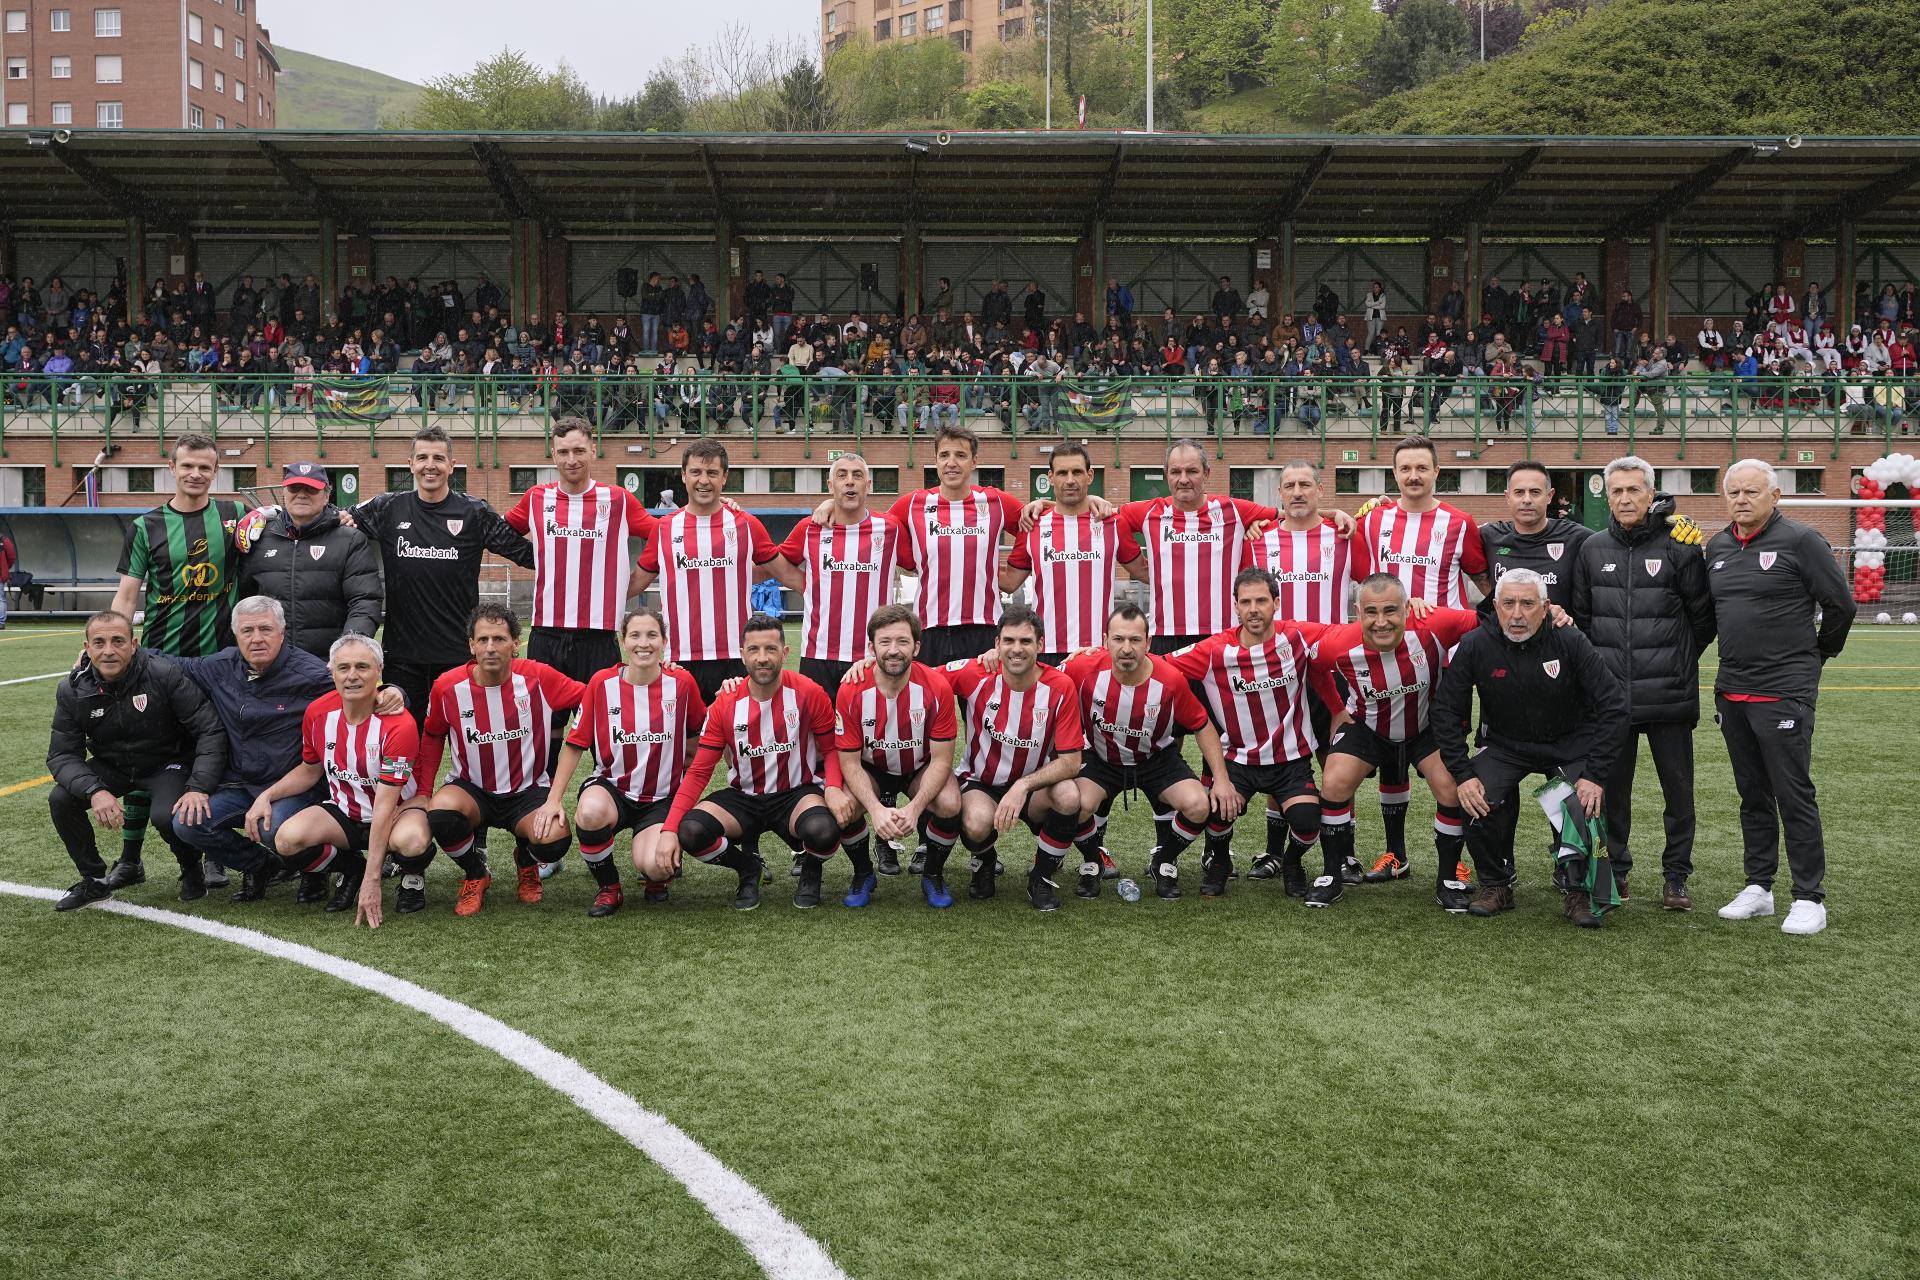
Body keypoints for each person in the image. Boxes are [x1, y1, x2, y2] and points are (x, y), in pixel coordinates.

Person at [169, 595, 403, 903]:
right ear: (235, 634)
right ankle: (262, 866)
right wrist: (119, 656)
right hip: (241, 785)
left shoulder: (310, 673)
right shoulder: (219, 666)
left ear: (282, 632)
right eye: (247, 631)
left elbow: (357, 683)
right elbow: (171, 664)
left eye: (265, 629)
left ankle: (350, 867)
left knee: (273, 828)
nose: (256, 639)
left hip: (295, 787)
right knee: (188, 823)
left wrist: (392, 692)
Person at [1705, 459, 1855, 936]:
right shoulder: (1719, 545)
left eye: (1752, 491)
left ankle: (1809, 897)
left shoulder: (1800, 540)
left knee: (1793, 793)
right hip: (1732, 689)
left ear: (1775, 496)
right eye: (1734, 492)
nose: (1742, 500)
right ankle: (1759, 887)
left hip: (1783, 691)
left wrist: (1817, 656)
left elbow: (1841, 605)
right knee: (1752, 794)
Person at [1429, 570, 1627, 927]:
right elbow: (1445, 711)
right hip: (1506, 745)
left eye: (1527, 604)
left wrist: (1594, 775)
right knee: (1478, 795)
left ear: (1545, 607)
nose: (1517, 614)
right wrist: (1463, 773)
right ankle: (1497, 883)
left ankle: (1577, 889)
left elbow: (1614, 705)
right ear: (1495, 606)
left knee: (1582, 804)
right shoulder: (1476, 644)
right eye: (1508, 603)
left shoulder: (1570, 640)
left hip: (1568, 746)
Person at [1569, 457, 1716, 911]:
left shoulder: (1680, 545)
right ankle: (1617, 871)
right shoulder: (1592, 549)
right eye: (1617, 491)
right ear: (1607, 496)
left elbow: (1704, 621)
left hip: (1669, 696)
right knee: (1612, 794)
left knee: (1678, 793)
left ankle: (1676, 878)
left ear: (1651, 494)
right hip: (1612, 700)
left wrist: (1674, 662)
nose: (1626, 498)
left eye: (1635, 490)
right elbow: (1583, 623)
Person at [107, 433, 247, 883]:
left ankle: (214, 853)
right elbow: (128, 596)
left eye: (205, 467)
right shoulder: (146, 526)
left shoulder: (236, 515)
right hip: (159, 659)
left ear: (215, 471)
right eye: (188, 466)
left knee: (218, 750)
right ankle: (130, 857)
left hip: (222, 659)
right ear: (172, 467)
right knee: (150, 753)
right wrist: (111, 641)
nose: (196, 474)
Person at [1305, 576, 1478, 911]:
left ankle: (1447, 880)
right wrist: (1336, 709)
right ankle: (1331, 875)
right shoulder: (1339, 643)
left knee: (1449, 786)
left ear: (1406, 608)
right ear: (1357, 613)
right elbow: (1315, 667)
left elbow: (1487, 621)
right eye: (1371, 612)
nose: (1381, 621)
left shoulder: (1434, 623)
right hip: (1368, 728)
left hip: (1425, 727)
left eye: (1390, 611)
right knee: (1334, 780)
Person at [347, 425, 535, 728]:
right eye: (422, 457)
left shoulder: (474, 513)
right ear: (410, 464)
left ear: (452, 465)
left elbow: (528, 554)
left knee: (470, 741)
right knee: (406, 742)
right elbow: (333, 518)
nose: (429, 465)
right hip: (403, 658)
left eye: (438, 458)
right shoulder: (387, 508)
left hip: (459, 656)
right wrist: (270, 514)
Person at [655, 615, 843, 911]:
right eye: (754, 650)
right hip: (744, 797)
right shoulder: (725, 704)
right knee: (690, 830)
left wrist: (832, 787)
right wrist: (669, 828)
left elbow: (832, 749)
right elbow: (700, 771)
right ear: (742, 655)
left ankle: (811, 869)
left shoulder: (808, 692)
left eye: (770, 649)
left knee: (825, 829)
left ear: (785, 652)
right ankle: (747, 869)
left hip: (795, 794)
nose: (762, 658)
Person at [410, 604, 588, 917]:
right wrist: (425, 790)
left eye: (499, 639)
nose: (490, 647)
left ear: (515, 644)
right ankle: (476, 874)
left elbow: (595, 696)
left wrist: (655, 672)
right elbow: (433, 734)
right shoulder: (447, 687)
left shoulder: (538, 677)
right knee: (440, 815)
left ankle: (526, 861)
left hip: (528, 789)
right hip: (472, 789)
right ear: (471, 645)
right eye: (483, 640)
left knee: (555, 837)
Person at [528, 609, 706, 918]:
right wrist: (553, 800)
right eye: (635, 635)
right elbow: (575, 744)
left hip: (662, 797)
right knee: (589, 811)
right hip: (613, 788)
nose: (643, 643)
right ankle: (609, 887)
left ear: (664, 641)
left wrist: (685, 783)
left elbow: (698, 734)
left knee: (655, 866)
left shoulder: (682, 683)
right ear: (623, 641)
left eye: (652, 635)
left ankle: (656, 880)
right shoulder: (602, 682)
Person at [244, 634, 432, 922]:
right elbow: (310, 770)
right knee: (287, 840)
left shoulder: (400, 724)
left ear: (379, 671)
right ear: (331, 672)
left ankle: (412, 875)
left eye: (362, 667)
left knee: (413, 841)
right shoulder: (317, 713)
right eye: (343, 668)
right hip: (344, 812)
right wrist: (267, 796)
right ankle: (351, 868)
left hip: (395, 812)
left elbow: (384, 805)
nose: (352, 676)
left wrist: (374, 881)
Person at [503, 417, 659, 766]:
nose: (571, 459)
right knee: (545, 728)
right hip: (546, 633)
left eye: (578, 450)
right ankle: (540, 801)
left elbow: (663, 534)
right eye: (562, 452)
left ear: (592, 449)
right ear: (552, 455)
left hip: (598, 636)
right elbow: (500, 533)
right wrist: (536, 559)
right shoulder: (536, 498)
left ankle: (608, 795)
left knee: (608, 727)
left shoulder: (617, 499)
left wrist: (635, 583)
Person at [1160, 569, 1324, 899]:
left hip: (1290, 761)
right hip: (1237, 760)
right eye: (1245, 602)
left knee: (1308, 820)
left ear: (1276, 603)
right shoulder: (1213, 651)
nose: (1253, 609)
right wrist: (1096, 656)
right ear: (1235, 606)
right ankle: (1219, 861)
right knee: (1216, 813)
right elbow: (1157, 664)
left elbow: (1349, 634)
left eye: (1261, 601)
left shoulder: (1297, 638)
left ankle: (1292, 862)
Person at [47, 611, 226, 910]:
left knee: (167, 815)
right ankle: (94, 880)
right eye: (99, 642)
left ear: (134, 644)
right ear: (86, 648)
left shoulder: (163, 673)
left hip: (166, 762)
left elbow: (209, 728)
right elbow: (63, 754)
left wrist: (199, 785)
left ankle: (191, 867)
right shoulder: (73, 690)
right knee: (61, 799)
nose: (108, 651)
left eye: (118, 641)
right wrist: (95, 790)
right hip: (113, 765)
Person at [1063, 604, 1238, 901]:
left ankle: (1164, 861)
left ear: (1149, 642)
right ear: (1105, 640)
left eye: (1135, 640)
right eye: (1118, 639)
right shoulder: (1082, 668)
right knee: (1073, 804)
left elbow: (1202, 724)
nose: (1127, 648)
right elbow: (1038, 678)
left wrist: (1221, 779)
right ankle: (1092, 862)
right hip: (1103, 759)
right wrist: (992, 656)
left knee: (1198, 804)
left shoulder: (1169, 679)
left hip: (1156, 759)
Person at [942, 603, 1085, 912]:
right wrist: (869, 665)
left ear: (1040, 645)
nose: (1016, 649)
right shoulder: (975, 673)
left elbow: (1071, 761)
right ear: (996, 644)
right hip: (982, 781)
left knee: (1070, 795)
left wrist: (1022, 787)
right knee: (976, 823)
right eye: (1008, 641)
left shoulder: (1060, 687)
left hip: (1033, 786)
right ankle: (985, 859)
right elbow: (921, 677)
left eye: (1025, 641)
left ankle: (1041, 877)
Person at [828, 604, 964, 908]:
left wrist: (915, 809)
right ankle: (863, 873)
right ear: (871, 646)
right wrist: (875, 809)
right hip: (871, 768)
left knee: (950, 803)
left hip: (918, 767)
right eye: (885, 642)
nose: (893, 650)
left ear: (916, 647)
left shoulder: (936, 687)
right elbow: (848, 761)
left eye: (902, 642)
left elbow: (942, 759)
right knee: (845, 808)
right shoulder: (851, 689)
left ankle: (933, 874)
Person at [631, 440, 780, 701]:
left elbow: (782, 569)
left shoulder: (745, 524)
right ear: (683, 475)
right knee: (684, 739)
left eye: (712, 473)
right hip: (679, 657)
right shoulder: (664, 528)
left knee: (736, 736)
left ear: (724, 477)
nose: (704, 480)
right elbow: (636, 583)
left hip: (735, 654)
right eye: (696, 472)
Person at [883, 425, 1045, 666]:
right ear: (935, 461)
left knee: (986, 704)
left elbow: (1038, 520)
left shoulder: (994, 501)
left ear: (974, 462)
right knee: (929, 704)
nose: (951, 463)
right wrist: (831, 506)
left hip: (984, 627)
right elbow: (876, 526)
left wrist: (1013, 573)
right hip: (930, 628)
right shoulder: (914, 503)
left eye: (960, 455)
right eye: (944, 455)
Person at [1117, 439, 1281, 652]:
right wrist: (1140, 567)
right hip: (1165, 634)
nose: (1183, 479)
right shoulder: (1149, 512)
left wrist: (1335, 514)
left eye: (1192, 471)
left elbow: (1295, 517)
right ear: (1167, 474)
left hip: (1223, 633)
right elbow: (1105, 518)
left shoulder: (1233, 510)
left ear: (1207, 473)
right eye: (1176, 472)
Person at [767, 453, 901, 695]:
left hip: (871, 655)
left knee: (869, 731)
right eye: (842, 475)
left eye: (857, 475)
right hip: (818, 656)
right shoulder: (810, 529)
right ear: (830, 486)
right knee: (817, 731)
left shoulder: (890, 529)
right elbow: (774, 564)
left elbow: (925, 558)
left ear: (868, 486)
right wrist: (808, 585)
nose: (849, 481)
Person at [1001, 441, 1142, 666]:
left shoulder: (1113, 524)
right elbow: (1009, 582)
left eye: (1077, 472)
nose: (1069, 480)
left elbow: (1145, 572)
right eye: (1062, 473)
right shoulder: (1031, 526)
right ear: (1050, 477)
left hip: (1099, 649)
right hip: (1046, 649)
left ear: (1090, 475)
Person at [233, 462, 383, 658]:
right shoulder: (259, 537)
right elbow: (243, 599)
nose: (301, 494)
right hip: (273, 666)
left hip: (326, 666)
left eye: (311, 489)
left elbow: (364, 600)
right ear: (284, 492)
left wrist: (347, 650)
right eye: (294, 488)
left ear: (326, 495)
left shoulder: (350, 539)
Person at [1479, 460, 1591, 611]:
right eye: (1519, 492)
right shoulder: (1489, 536)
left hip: (1556, 633)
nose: (1527, 500)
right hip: (1505, 633)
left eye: (1535, 492)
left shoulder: (1578, 537)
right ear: (1507, 497)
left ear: (1549, 496)